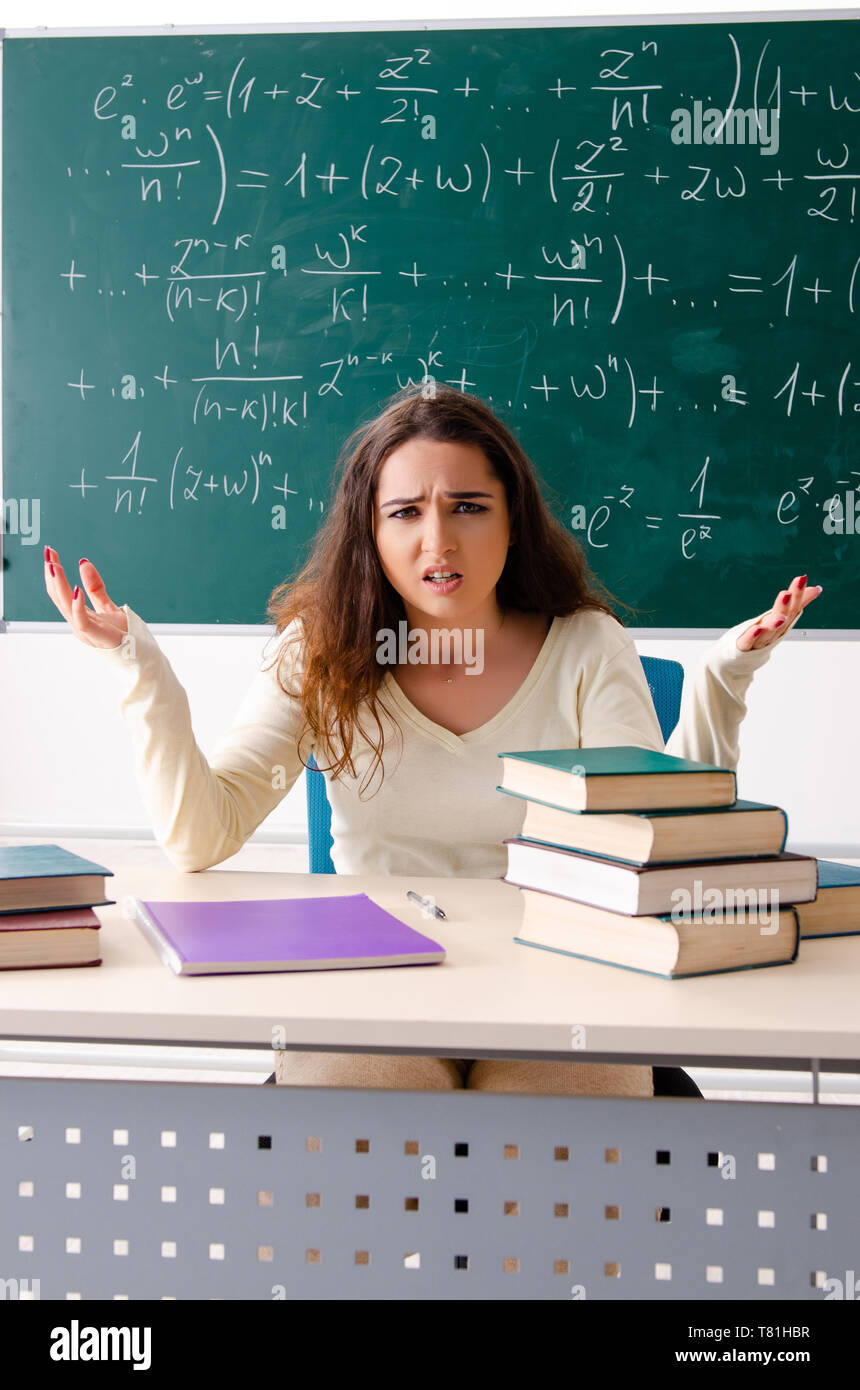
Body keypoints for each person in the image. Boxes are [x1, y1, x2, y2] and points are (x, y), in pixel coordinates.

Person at [44, 384, 822, 1098]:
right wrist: (137, 663)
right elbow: (199, 835)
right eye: (407, 511)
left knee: (553, 1152)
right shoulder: (317, 651)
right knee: (354, 1130)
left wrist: (724, 679)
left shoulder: (588, 647)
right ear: (371, 532)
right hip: (374, 983)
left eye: (469, 507)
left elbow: (658, 848)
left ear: (514, 521)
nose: (438, 541)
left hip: (563, 980)